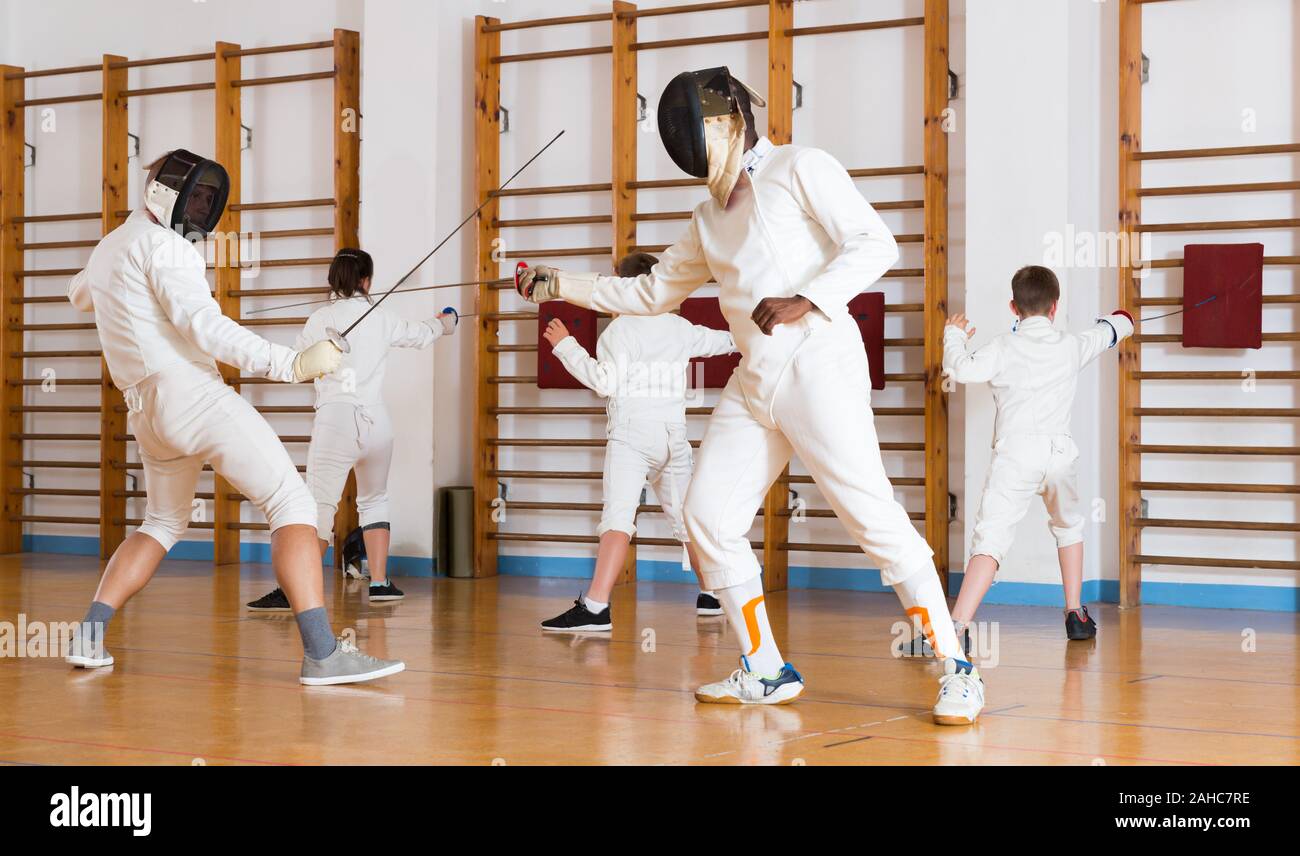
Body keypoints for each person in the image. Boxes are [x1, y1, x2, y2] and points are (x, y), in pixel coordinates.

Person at [515, 68, 982, 723]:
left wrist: (804, 299)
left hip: (818, 367)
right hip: (756, 385)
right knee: (706, 517)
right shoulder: (708, 218)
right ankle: (765, 668)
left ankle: (957, 666)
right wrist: (556, 282)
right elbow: (649, 294)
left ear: (726, 121)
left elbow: (876, 242)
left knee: (873, 519)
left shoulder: (800, 167)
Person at [65, 149, 403, 685]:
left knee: (162, 521)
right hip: (191, 395)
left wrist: (123, 284)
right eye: (194, 195)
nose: (201, 206)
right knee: (292, 501)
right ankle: (321, 653)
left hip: (146, 413)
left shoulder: (114, 246)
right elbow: (206, 328)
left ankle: (88, 634)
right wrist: (290, 363)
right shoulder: (168, 249)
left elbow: (79, 293)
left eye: (207, 197)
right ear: (164, 193)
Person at [247, 248, 456, 610]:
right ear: (366, 281)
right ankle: (379, 583)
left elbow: (296, 364)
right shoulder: (383, 317)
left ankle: (294, 589)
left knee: (318, 508)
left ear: (334, 280)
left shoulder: (319, 319)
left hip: (336, 422)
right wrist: (447, 320)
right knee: (375, 500)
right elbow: (423, 333)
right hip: (378, 425)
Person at [539, 251, 737, 632]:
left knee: (617, 519)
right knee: (686, 522)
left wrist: (566, 345)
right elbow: (727, 342)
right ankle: (712, 593)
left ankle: (595, 608)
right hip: (673, 438)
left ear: (622, 285)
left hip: (632, 437)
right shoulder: (679, 327)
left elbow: (604, 383)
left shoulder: (620, 331)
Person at [942, 265, 1134, 641]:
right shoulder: (1072, 345)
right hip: (1060, 453)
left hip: (1015, 455)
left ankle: (957, 627)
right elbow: (1112, 329)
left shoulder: (1002, 346)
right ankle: (1075, 615)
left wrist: (953, 334)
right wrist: (1123, 319)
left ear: (1014, 307)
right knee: (1069, 527)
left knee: (990, 540)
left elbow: (960, 370)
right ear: (1055, 308)